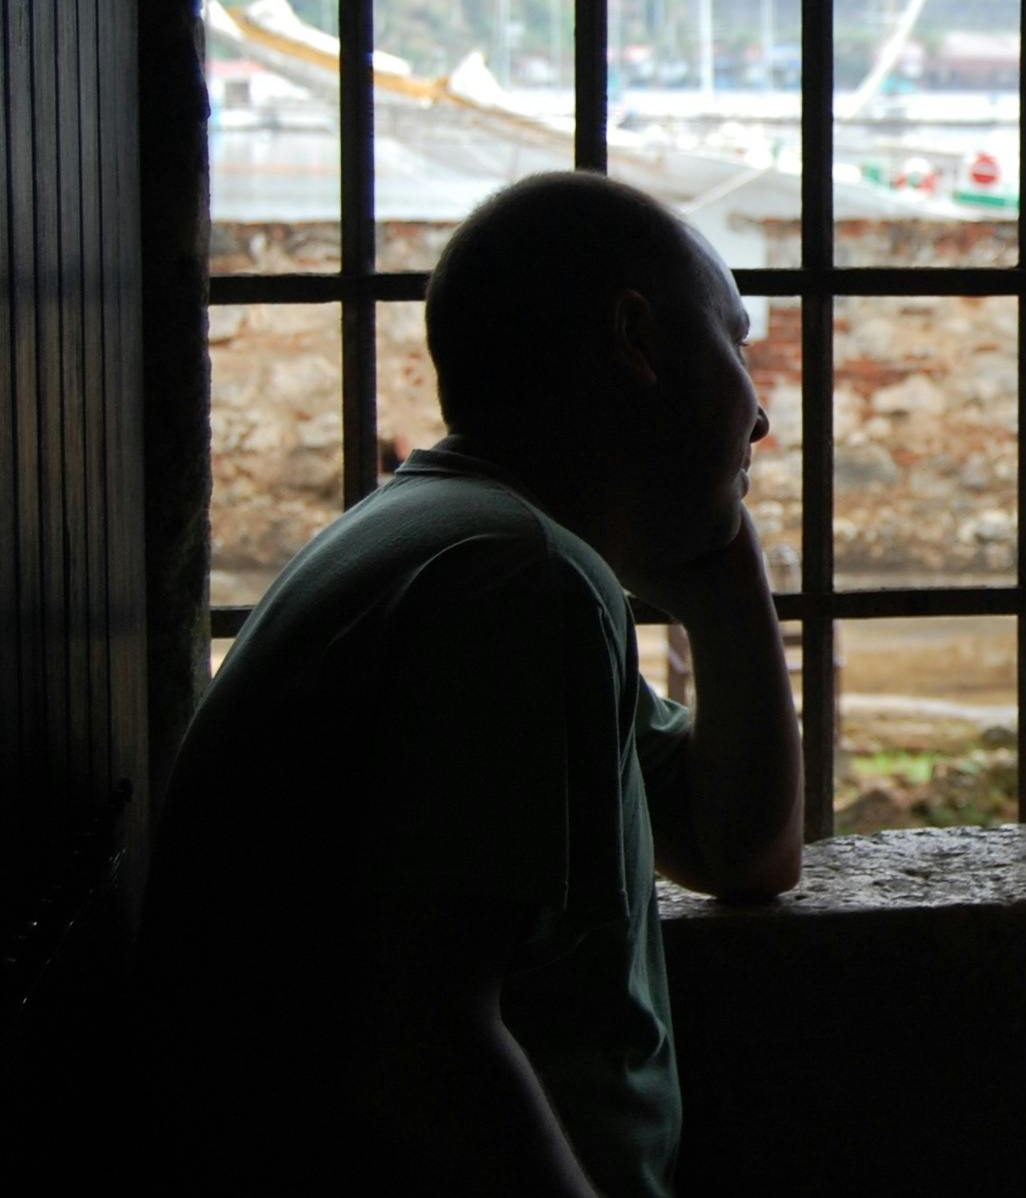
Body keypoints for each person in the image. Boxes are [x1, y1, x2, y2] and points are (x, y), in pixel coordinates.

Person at [141, 172, 804, 1197]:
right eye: (737, 343)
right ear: (637, 341)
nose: (759, 414)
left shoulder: (462, 541)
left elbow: (741, 849)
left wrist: (725, 575)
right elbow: (426, 1043)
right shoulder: (515, 583)